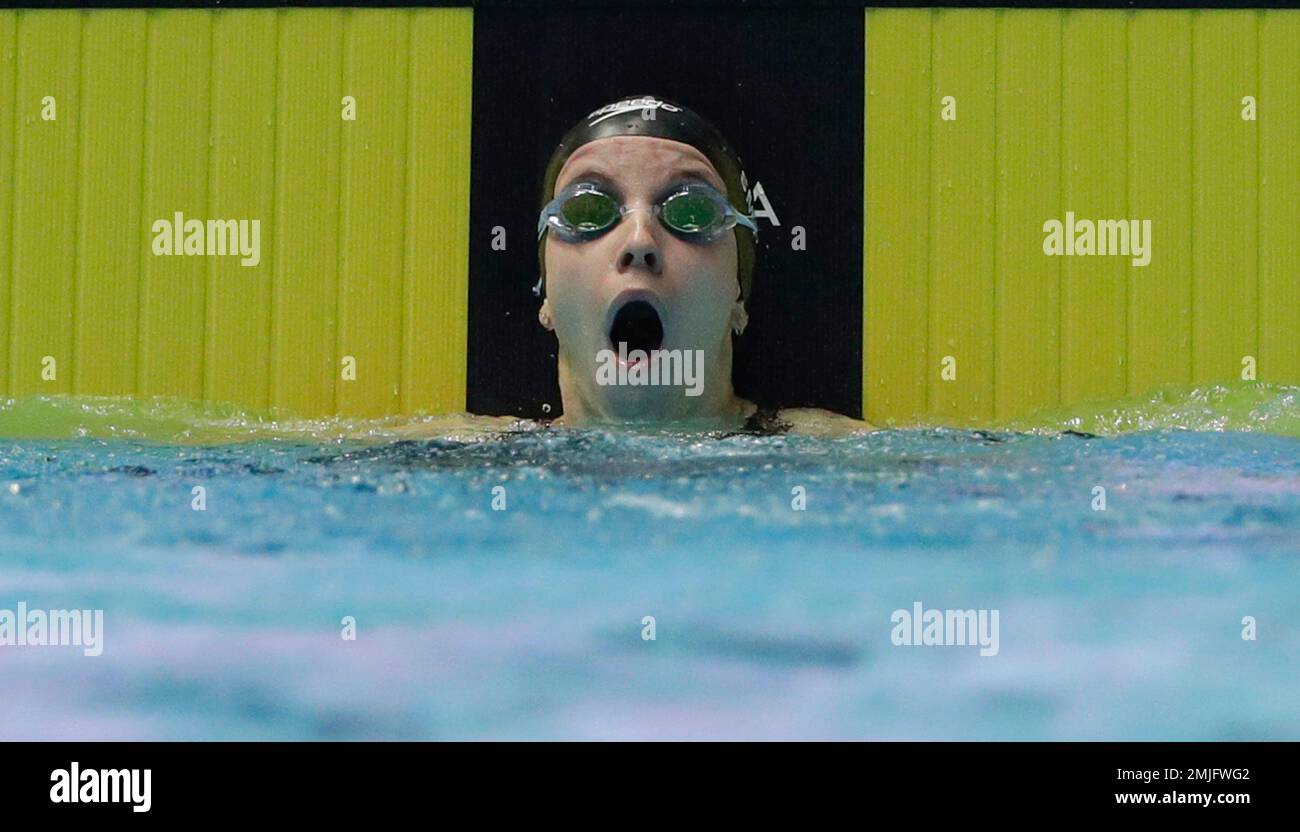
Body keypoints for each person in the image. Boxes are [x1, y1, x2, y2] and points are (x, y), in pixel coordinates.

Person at [534, 95, 870, 435]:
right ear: (545, 292)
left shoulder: (847, 458)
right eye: (588, 211)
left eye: (692, 212)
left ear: (737, 295)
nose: (639, 240)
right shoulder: (483, 455)